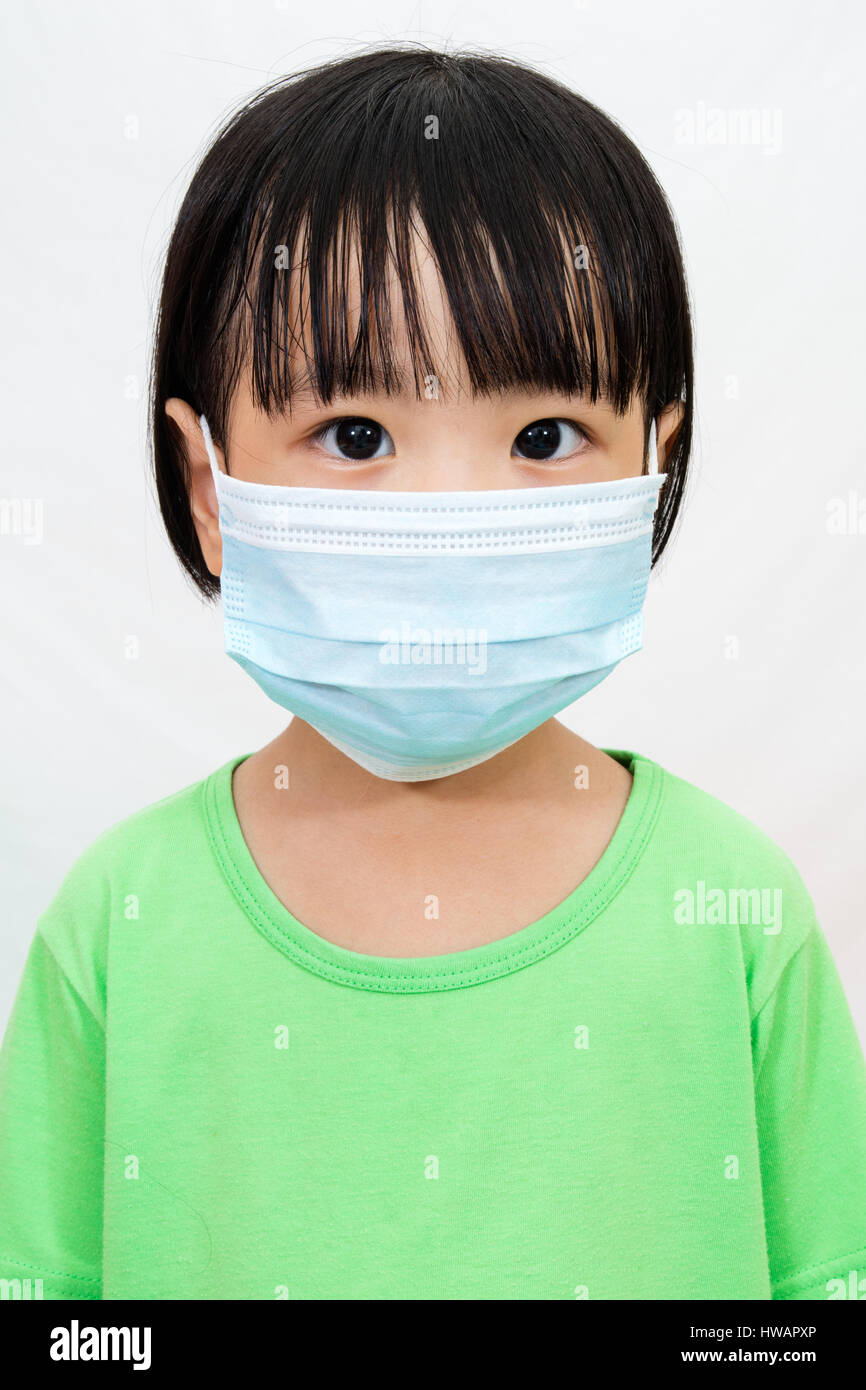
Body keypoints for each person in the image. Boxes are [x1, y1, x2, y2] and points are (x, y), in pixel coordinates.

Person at [2, 46, 865, 1301]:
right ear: (210, 488)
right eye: (354, 435)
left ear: (649, 473)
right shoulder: (116, 930)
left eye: (541, 436)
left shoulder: (734, 913)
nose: (448, 516)